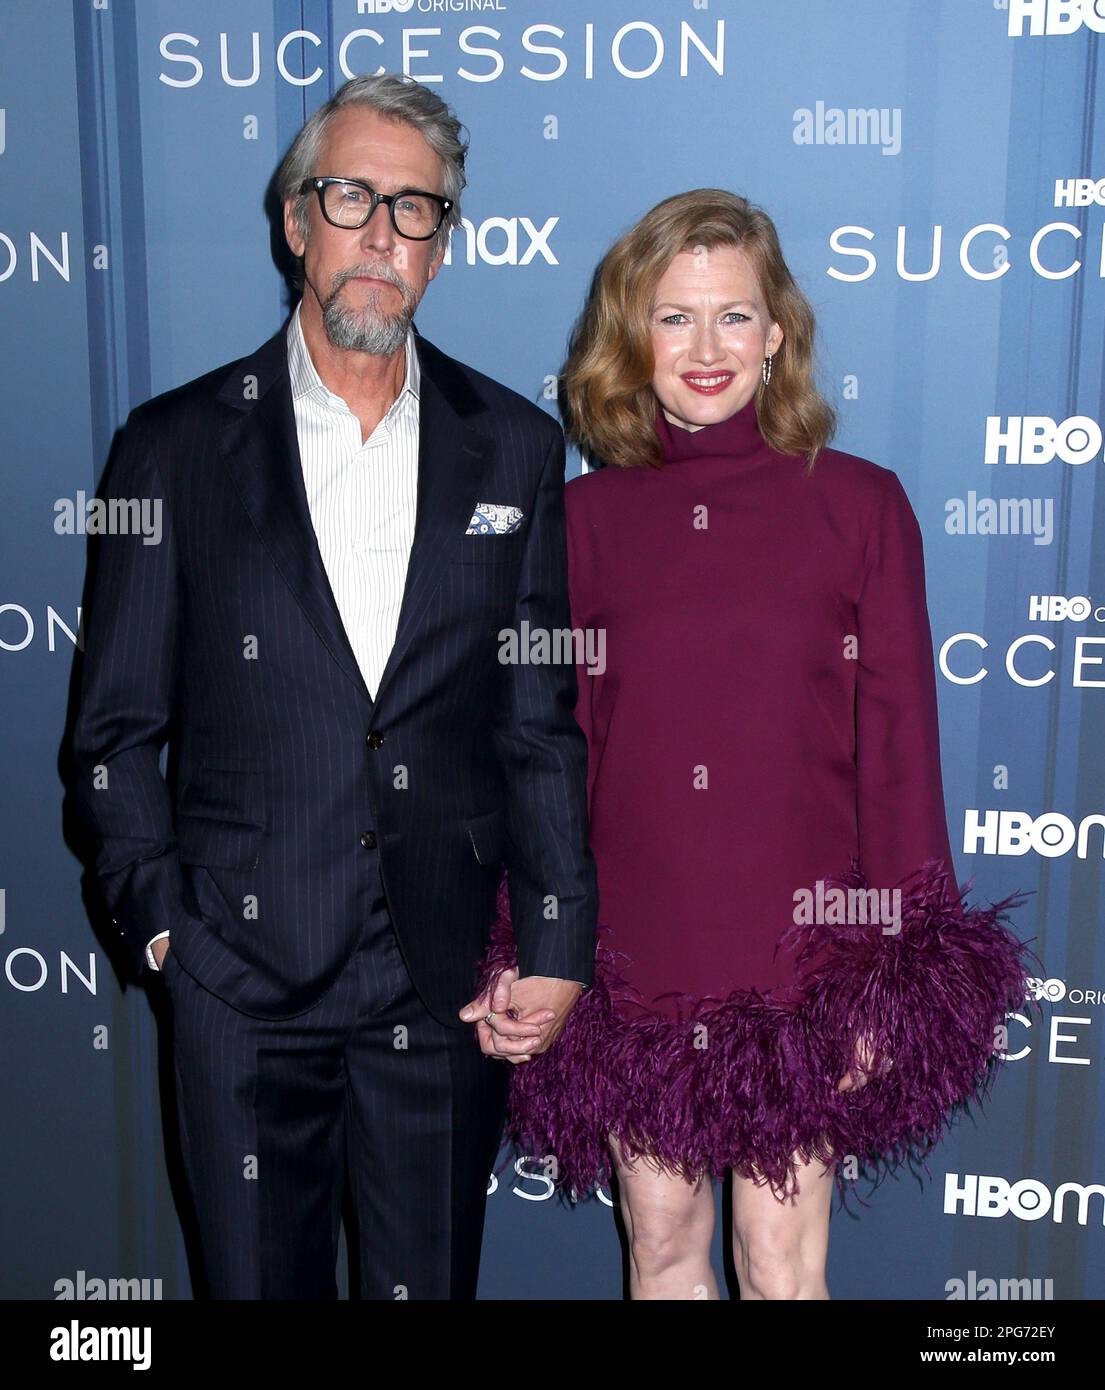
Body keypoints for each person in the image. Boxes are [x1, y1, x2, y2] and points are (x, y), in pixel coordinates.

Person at [70, 73, 597, 1300]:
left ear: (443, 245)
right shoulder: (173, 445)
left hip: (441, 974)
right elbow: (113, 732)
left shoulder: (514, 443)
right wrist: (164, 932)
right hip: (236, 977)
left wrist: (560, 936)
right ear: (294, 219)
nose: (380, 234)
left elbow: (538, 719)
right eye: (351, 195)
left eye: (415, 209)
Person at [476, 189, 1034, 1300]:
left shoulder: (862, 505)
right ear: (632, 337)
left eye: (732, 316)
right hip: (633, 958)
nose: (705, 348)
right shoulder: (580, 522)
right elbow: (547, 753)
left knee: (782, 1264)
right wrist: (522, 940)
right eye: (673, 318)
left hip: (803, 959)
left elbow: (897, 749)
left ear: (777, 331)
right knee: (663, 1253)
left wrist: (894, 976)